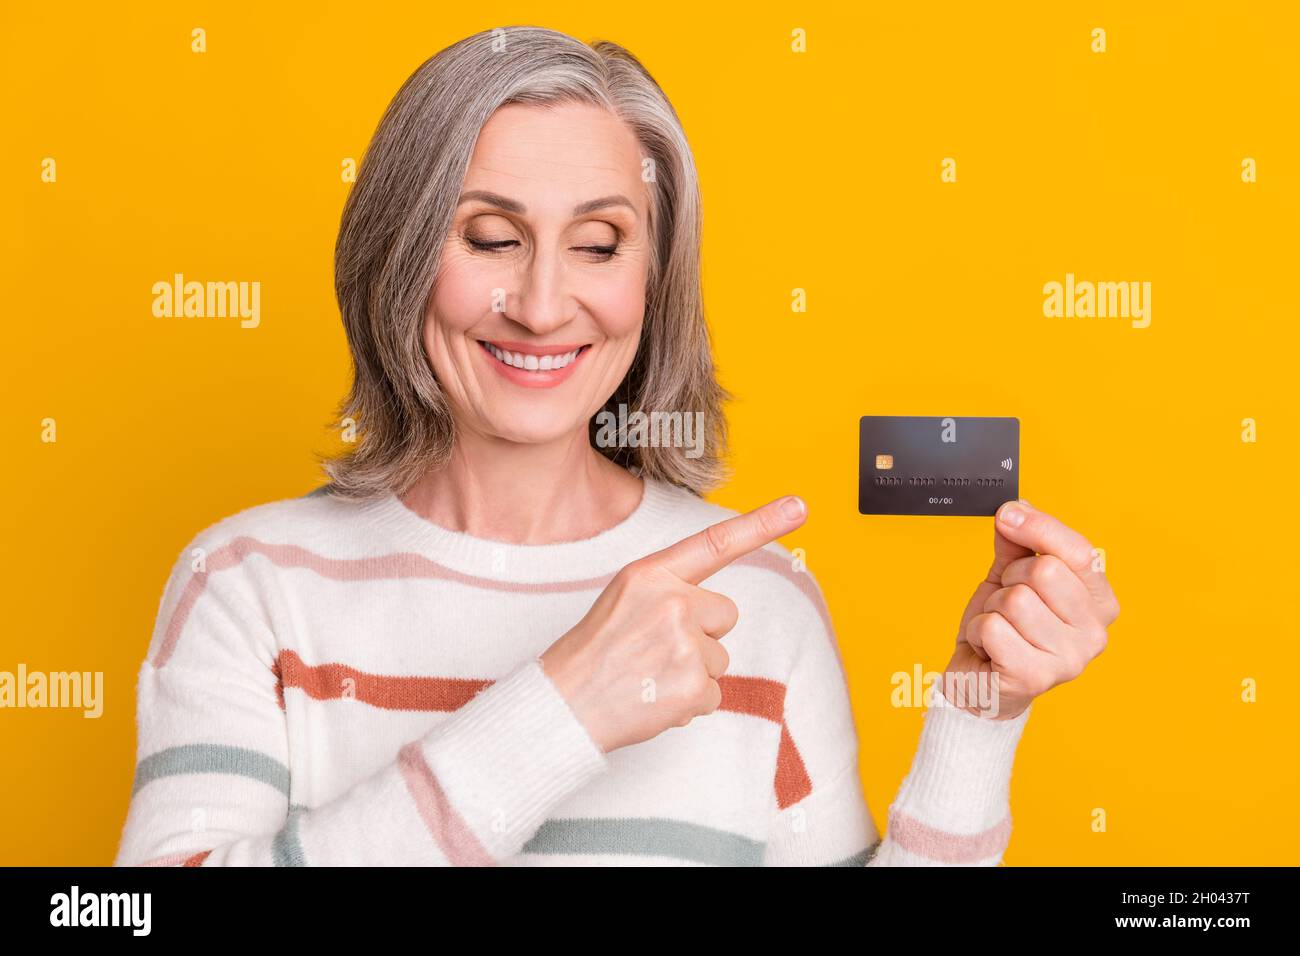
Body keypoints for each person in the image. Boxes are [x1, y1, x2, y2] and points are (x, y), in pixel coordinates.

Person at [113, 25, 1119, 867]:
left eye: (597, 245)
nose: (544, 305)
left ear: (652, 277)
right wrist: (561, 708)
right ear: (401, 251)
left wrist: (979, 711)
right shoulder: (247, 582)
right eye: (490, 237)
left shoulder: (761, 600)